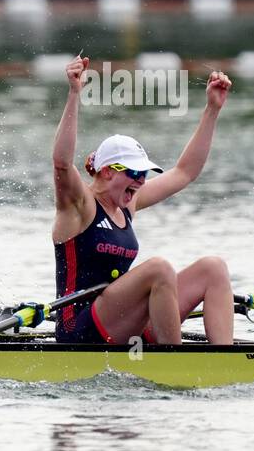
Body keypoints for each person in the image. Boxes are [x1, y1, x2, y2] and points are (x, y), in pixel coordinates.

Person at [52, 55, 235, 345]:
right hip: (80, 329)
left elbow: (185, 172)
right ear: (109, 172)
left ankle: (225, 362)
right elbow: (62, 163)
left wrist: (212, 109)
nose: (141, 180)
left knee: (213, 268)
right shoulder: (79, 205)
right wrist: (75, 93)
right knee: (159, 268)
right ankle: (173, 361)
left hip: (123, 322)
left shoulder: (127, 204)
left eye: (144, 173)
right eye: (135, 172)